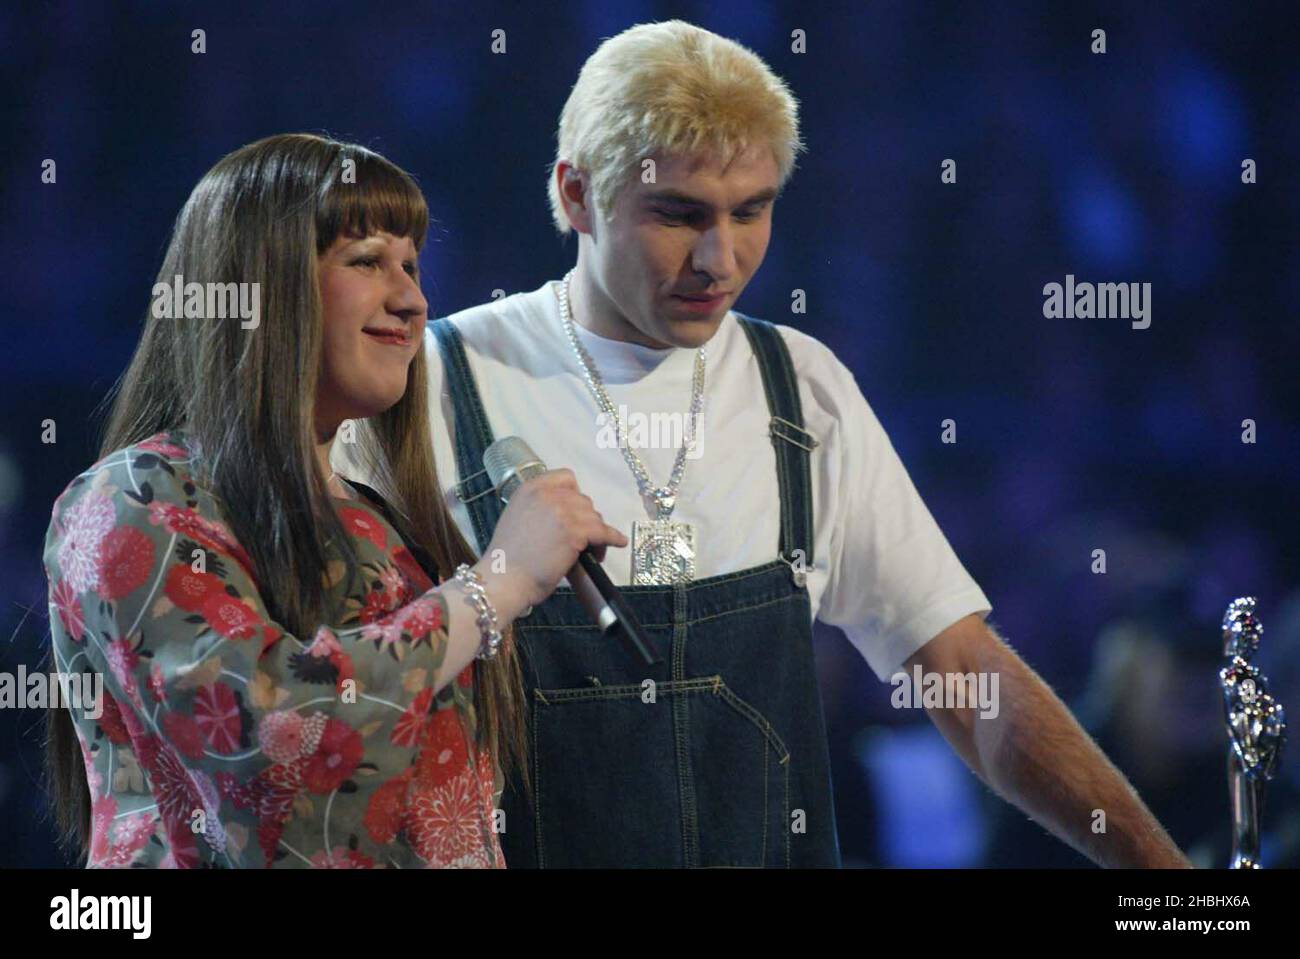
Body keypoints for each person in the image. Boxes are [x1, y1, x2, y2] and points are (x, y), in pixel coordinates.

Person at [335, 21, 1191, 868]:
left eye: (752, 211)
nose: (721, 258)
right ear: (575, 193)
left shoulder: (804, 388)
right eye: (679, 214)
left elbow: (966, 678)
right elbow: (316, 716)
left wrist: (1164, 878)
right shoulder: (428, 384)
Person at [41, 132, 625, 868]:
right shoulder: (136, 501)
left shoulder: (377, 520)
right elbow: (264, 743)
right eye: (368, 261)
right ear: (262, 286)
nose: (412, 299)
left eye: (412, 265)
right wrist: (496, 585)